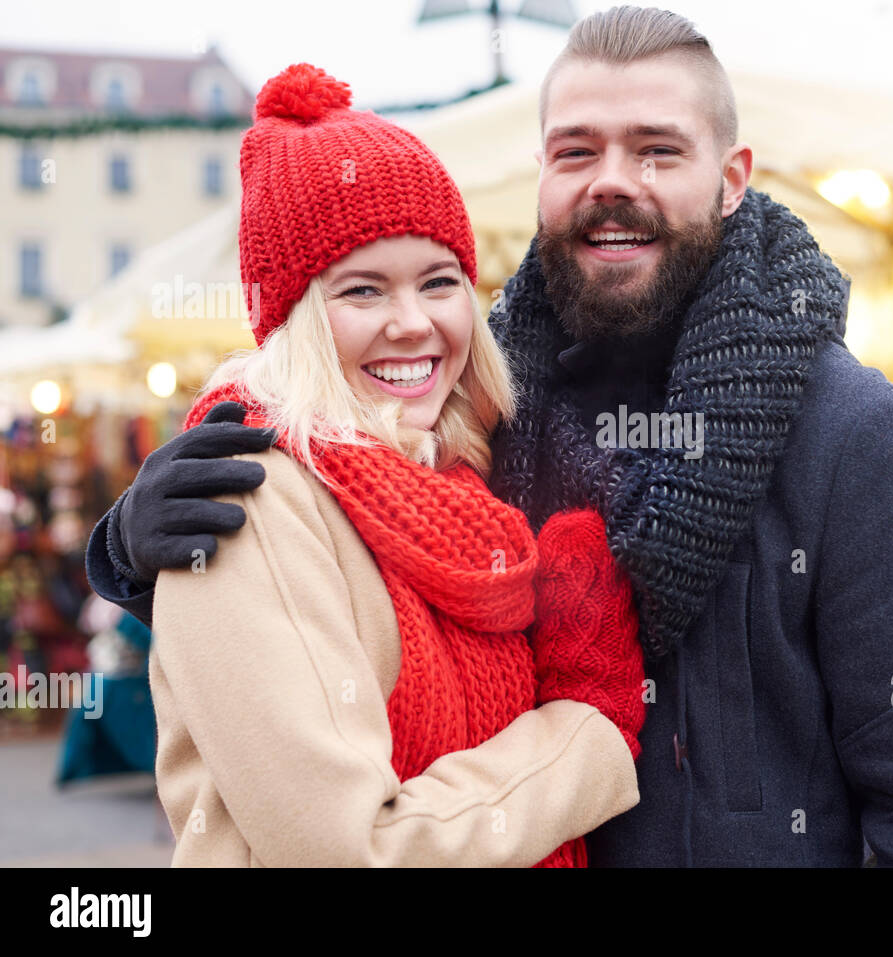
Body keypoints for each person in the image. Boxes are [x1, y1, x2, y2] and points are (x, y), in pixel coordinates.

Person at [88, 8, 893, 867]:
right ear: (542, 176)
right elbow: (326, 620)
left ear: (733, 179)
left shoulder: (866, 446)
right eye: (576, 151)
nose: (612, 182)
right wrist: (136, 545)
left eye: (658, 149)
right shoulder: (477, 423)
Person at [112, 62, 645, 867]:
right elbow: (355, 848)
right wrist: (582, 731)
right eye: (362, 290)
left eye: (439, 281)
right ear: (293, 321)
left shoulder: (455, 484)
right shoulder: (248, 497)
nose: (412, 322)